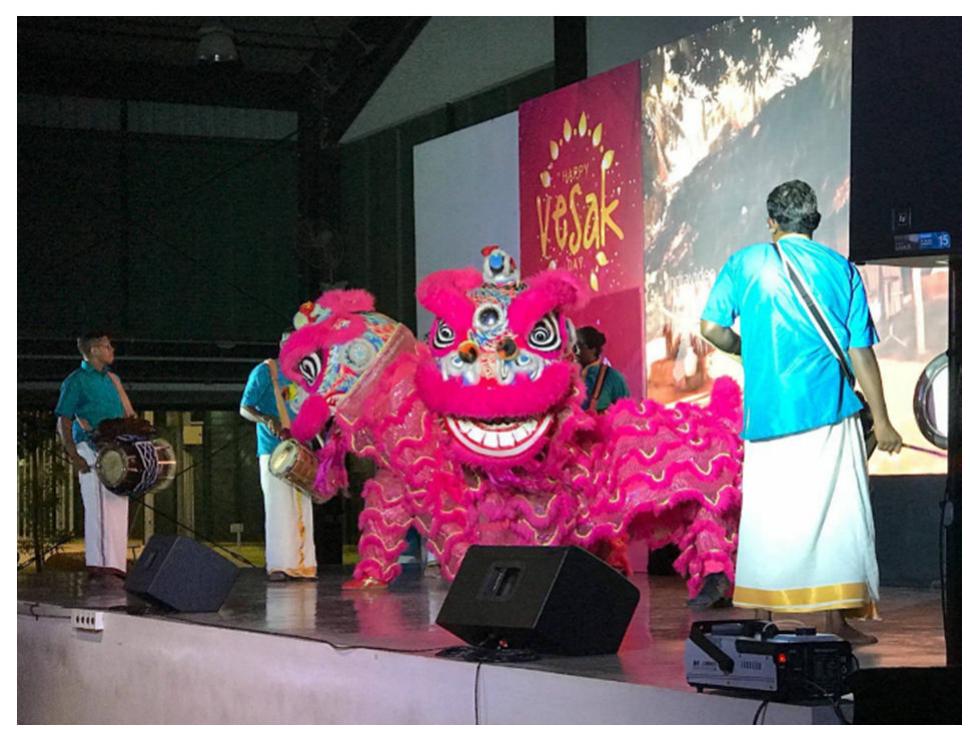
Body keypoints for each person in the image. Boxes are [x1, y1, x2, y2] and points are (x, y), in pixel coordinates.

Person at [700, 179, 902, 644]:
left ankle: (760, 619)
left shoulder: (745, 262)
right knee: (835, 518)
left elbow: (712, 327)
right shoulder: (841, 270)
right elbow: (861, 354)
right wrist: (885, 420)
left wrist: (745, 348)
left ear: (772, 222)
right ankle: (835, 624)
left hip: (766, 418)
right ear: (814, 221)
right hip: (828, 413)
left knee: (769, 520)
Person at [55, 333, 136, 579]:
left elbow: (128, 413)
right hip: (91, 448)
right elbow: (63, 419)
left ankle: (115, 566)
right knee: (99, 508)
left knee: (117, 506)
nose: (112, 349)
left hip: (115, 449)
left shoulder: (112, 379)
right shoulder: (76, 381)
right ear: (92, 351)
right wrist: (73, 454)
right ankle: (101, 567)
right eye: (106, 346)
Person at [240, 348, 317, 581]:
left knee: (302, 509)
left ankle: (304, 566)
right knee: (279, 508)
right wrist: (266, 418)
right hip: (274, 450)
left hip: (301, 447)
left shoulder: (305, 375)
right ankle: (280, 566)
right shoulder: (266, 371)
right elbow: (245, 407)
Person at [575, 326, 630, 412]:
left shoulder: (613, 378)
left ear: (592, 349)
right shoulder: (569, 376)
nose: (575, 351)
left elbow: (624, 414)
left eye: (579, 346)